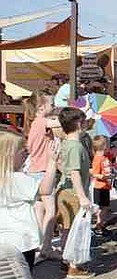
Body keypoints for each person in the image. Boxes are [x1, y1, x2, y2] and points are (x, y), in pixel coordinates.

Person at [0, 127, 57, 272]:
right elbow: (46, 189)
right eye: (23, 151)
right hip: (22, 240)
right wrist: (52, 162)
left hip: (4, 240)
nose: (27, 154)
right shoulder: (17, 179)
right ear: (9, 155)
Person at [55, 107, 93, 278]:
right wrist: (83, 197)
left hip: (65, 191)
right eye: (84, 121)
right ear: (78, 124)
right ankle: (74, 266)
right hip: (74, 194)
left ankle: (65, 260)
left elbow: (63, 167)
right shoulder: (76, 147)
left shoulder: (65, 143)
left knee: (66, 229)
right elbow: (75, 173)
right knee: (75, 231)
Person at [24, 93, 60, 260]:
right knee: (51, 211)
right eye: (52, 104)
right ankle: (46, 246)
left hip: (33, 170)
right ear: (41, 108)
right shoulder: (42, 122)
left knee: (39, 208)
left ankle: (39, 242)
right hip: (44, 171)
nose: (54, 106)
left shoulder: (34, 124)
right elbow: (61, 122)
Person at [90, 135, 112, 235]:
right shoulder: (98, 158)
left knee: (104, 207)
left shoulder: (104, 157)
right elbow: (94, 173)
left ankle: (101, 224)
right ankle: (99, 225)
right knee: (103, 208)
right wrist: (103, 176)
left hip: (105, 186)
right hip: (100, 186)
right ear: (104, 146)